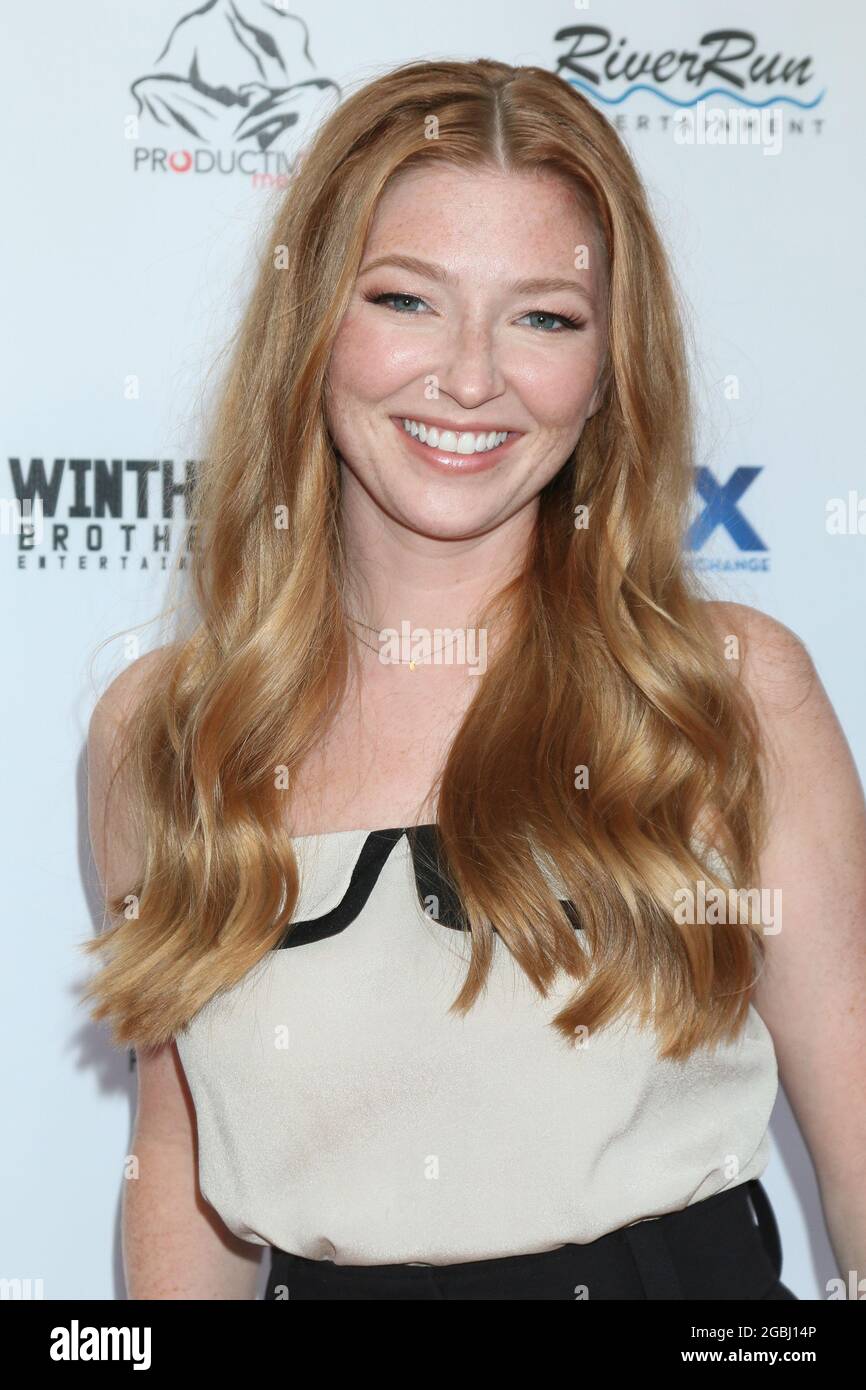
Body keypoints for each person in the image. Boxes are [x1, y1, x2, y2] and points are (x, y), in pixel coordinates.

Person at [83, 57, 866, 1301]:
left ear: (608, 368)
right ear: (313, 322)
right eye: (405, 300)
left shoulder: (722, 693)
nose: (467, 376)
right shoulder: (167, 732)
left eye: (542, 317)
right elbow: (181, 1157)